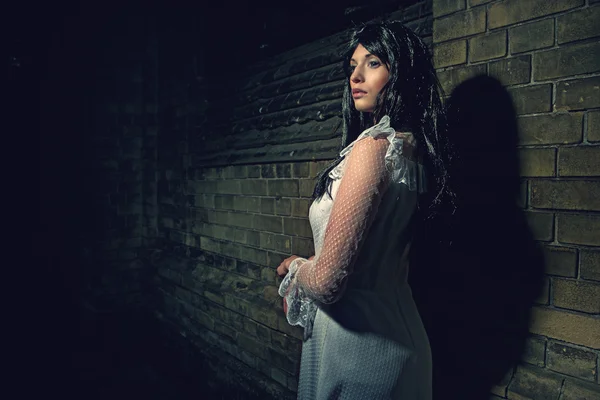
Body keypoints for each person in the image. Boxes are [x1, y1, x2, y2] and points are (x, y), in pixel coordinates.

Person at [276, 21, 453, 399]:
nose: (355, 76)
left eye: (372, 63)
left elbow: (327, 283)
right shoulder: (412, 149)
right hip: (392, 337)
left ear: (401, 70)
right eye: (352, 65)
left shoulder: (373, 149)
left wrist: (295, 267)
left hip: (360, 352)